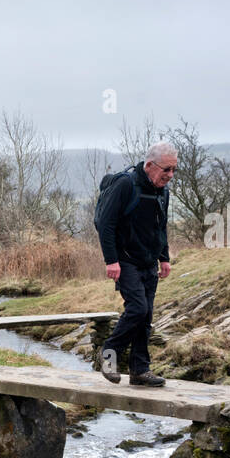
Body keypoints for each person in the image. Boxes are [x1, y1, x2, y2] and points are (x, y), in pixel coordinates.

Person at [94, 141, 177, 386]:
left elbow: (160, 227)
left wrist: (164, 257)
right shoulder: (125, 185)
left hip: (149, 261)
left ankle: (140, 371)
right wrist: (111, 260)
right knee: (138, 309)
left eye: (174, 170)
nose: (170, 176)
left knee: (146, 316)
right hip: (125, 260)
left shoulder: (163, 192)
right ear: (150, 165)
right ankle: (108, 353)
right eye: (166, 170)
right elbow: (105, 224)